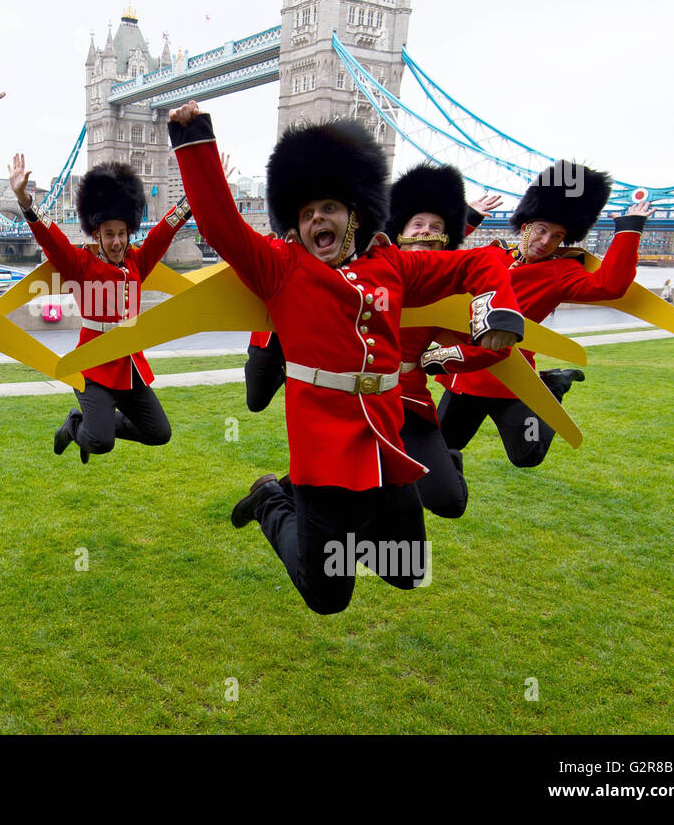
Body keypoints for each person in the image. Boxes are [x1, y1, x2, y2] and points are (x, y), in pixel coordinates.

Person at [167, 100, 523, 614]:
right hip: (322, 452)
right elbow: (221, 224)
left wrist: (494, 314)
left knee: (407, 572)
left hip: (384, 442)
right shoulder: (281, 268)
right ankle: (271, 498)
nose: (317, 220)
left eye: (328, 209)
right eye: (307, 214)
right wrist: (195, 140)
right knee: (327, 596)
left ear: (355, 214)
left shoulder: (391, 264)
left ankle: (341, 536)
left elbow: (482, 259)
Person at [235, 167, 505, 521]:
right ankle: (288, 499)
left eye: (437, 229)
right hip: (329, 379)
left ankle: (293, 498)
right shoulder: (374, 260)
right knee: (259, 402)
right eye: (418, 225)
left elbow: (444, 256)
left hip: (403, 398)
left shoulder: (417, 267)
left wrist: (444, 357)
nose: (426, 233)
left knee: (446, 502)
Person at [432, 161, 653, 468]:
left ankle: (553, 386)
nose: (546, 242)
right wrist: (466, 219)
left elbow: (611, 286)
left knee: (527, 455)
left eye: (557, 236)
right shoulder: (490, 255)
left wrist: (629, 228)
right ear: (525, 228)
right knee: (438, 454)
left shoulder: (561, 272)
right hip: (467, 377)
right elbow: (430, 263)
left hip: (515, 380)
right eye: (541, 230)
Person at [7, 153, 187, 462]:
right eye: (109, 234)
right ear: (96, 234)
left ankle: (91, 425)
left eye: (121, 233)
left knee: (159, 433)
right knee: (100, 442)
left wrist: (193, 198)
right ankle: (75, 425)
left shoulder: (137, 262)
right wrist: (25, 200)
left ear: (129, 231)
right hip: (92, 368)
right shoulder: (81, 265)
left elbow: (164, 232)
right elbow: (51, 239)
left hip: (128, 368)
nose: (116, 242)